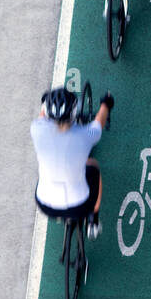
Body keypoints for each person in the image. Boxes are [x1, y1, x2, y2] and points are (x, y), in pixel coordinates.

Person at [31, 88, 114, 240]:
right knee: (93, 165)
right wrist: (105, 104)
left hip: (44, 204)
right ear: (74, 111)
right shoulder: (85, 135)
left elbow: (42, 114)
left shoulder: (36, 129)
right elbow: (98, 123)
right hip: (80, 204)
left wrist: (45, 102)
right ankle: (93, 220)